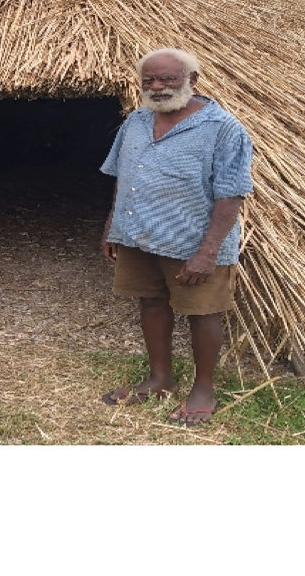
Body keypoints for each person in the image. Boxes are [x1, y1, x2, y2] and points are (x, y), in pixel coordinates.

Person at [98, 48, 253, 426]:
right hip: (139, 234)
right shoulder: (136, 121)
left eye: (168, 79)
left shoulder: (222, 128)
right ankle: (160, 379)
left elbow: (231, 194)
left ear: (192, 80)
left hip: (194, 241)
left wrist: (208, 253)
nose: (157, 87)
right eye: (148, 80)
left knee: (202, 313)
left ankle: (203, 390)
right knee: (151, 302)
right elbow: (123, 177)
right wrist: (111, 227)